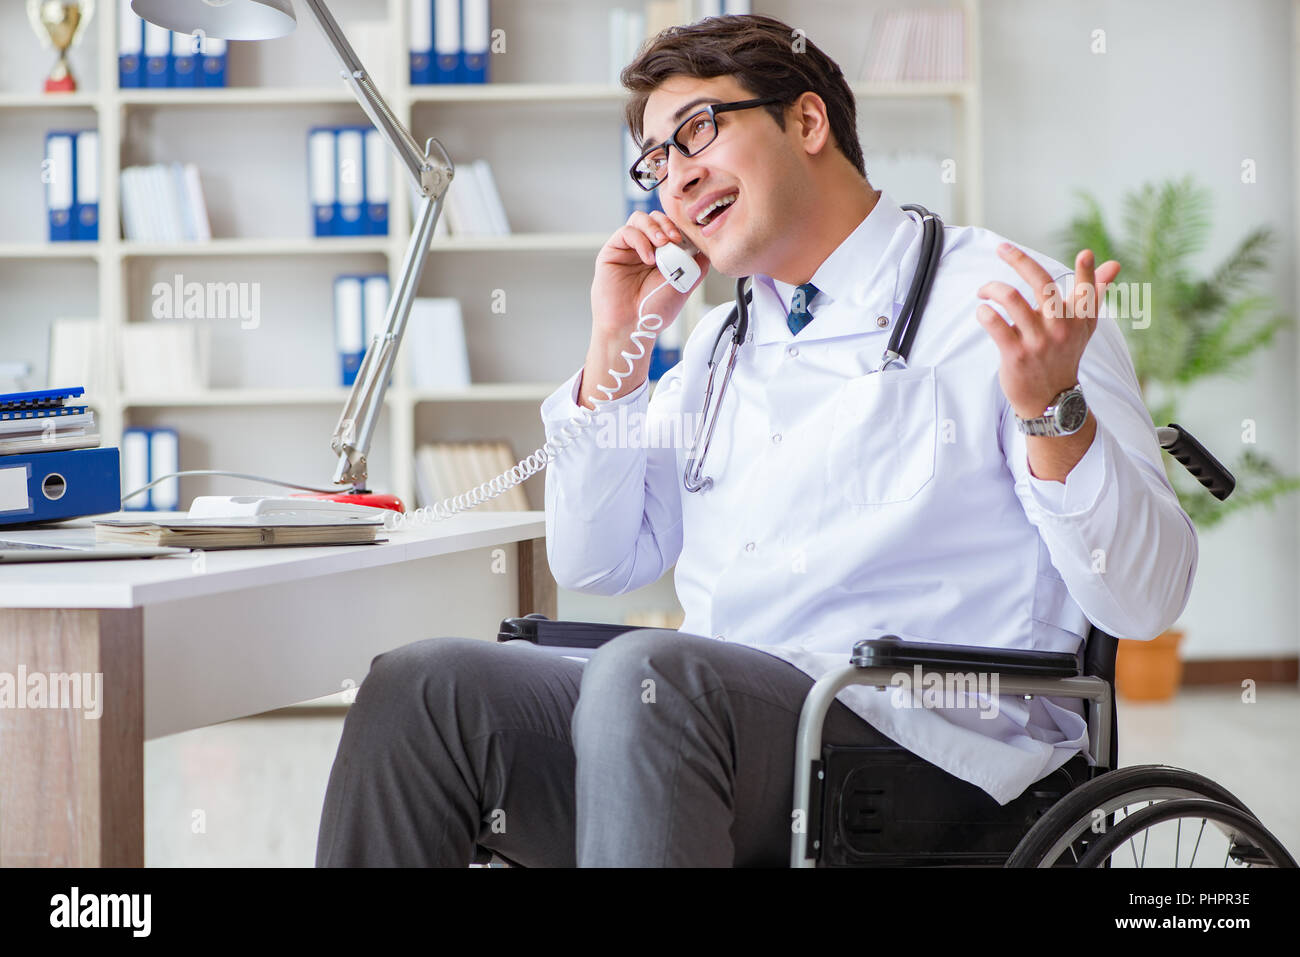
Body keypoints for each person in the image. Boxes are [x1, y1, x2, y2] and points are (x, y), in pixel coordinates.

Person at [315, 14, 1196, 867]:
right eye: (656, 162)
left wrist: (1053, 414)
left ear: (807, 119)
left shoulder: (1009, 301)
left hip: (929, 750)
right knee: (420, 689)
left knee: (650, 678)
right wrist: (615, 347)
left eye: (697, 133)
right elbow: (597, 557)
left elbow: (1147, 599)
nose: (676, 179)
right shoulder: (714, 348)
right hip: (701, 736)